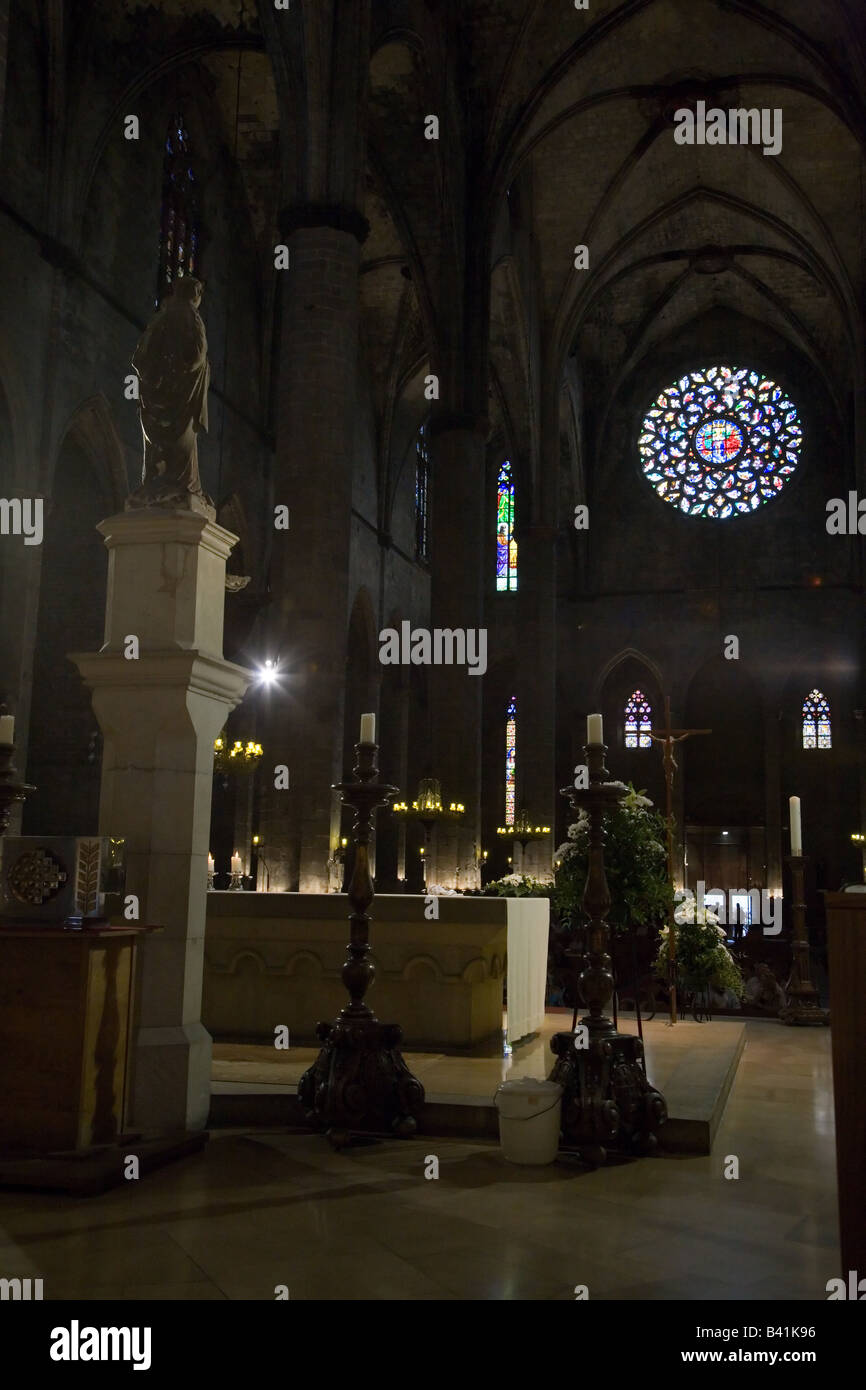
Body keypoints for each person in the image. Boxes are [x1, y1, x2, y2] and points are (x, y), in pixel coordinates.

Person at [129, 276, 213, 507]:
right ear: (194, 295)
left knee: (157, 446)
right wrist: (189, 371)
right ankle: (182, 487)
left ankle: (153, 484)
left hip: (155, 398)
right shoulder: (192, 317)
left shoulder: (160, 318)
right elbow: (197, 356)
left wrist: (156, 378)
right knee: (182, 450)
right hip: (182, 398)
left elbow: (139, 358)